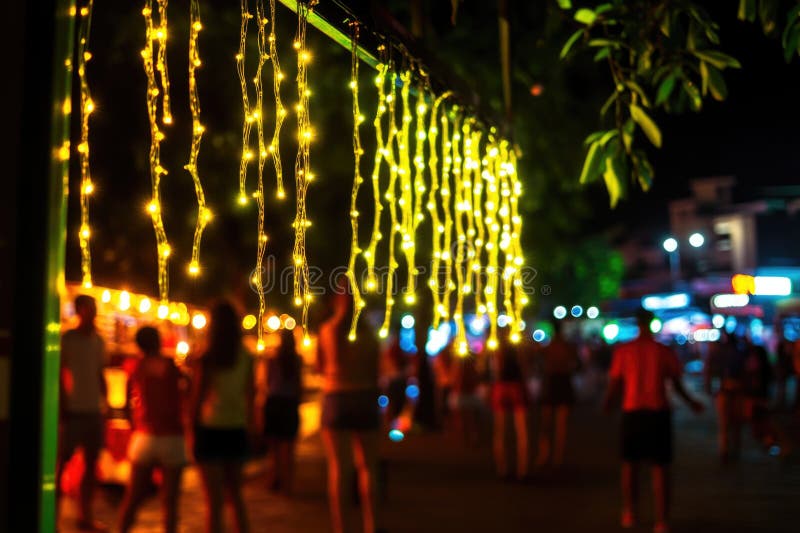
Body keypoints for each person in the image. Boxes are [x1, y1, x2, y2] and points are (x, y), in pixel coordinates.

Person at [604, 308, 703, 533]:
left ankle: (630, 511)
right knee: (660, 467)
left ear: (637, 324)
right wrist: (692, 403)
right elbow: (676, 385)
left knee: (630, 465)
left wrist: (608, 403)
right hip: (658, 413)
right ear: (651, 324)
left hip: (632, 412)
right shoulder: (663, 351)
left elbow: (615, 383)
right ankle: (662, 519)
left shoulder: (624, 351)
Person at [317, 282, 383, 533]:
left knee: (339, 469)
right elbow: (377, 371)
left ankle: (341, 527)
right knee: (369, 468)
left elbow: (320, 367)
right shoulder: (370, 334)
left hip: (337, 399)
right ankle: (372, 524)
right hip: (365, 396)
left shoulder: (327, 331)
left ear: (337, 299)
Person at [189, 302, 255, 533]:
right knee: (236, 496)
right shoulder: (246, 355)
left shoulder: (208, 357)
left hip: (210, 428)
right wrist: (252, 426)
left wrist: (190, 431)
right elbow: (251, 395)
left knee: (214, 502)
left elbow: (197, 398)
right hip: (236, 428)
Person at [119, 327, 186, 533]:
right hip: (171, 436)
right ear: (158, 341)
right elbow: (186, 390)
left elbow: (126, 405)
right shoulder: (170, 366)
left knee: (133, 497)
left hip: (145, 436)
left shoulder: (135, 367)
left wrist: (134, 427)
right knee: (170, 502)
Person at [57, 294, 108, 531]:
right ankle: (54, 514)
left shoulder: (98, 340)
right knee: (62, 463)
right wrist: (62, 405)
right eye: (90, 308)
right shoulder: (67, 339)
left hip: (93, 410)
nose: (94, 312)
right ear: (79, 311)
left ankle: (84, 515)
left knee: (91, 465)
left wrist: (104, 404)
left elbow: (100, 373)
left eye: (94, 308)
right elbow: (58, 374)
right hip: (74, 410)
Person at [263, 328, 303, 496]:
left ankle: (274, 478)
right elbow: (299, 384)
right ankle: (288, 484)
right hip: (290, 403)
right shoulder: (297, 360)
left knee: (274, 445)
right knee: (288, 446)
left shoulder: (272, 359)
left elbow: (266, 382)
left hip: (274, 402)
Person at [536, 321, 579, 468]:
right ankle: (558, 457)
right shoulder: (568, 347)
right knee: (562, 425)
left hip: (551, 383)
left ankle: (544, 455)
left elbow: (540, 363)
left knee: (546, 423)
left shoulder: (548, 347)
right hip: (564, 382)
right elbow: (576, 364)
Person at [490, 333, 529, 481]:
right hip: (515, 387)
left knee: (501, 430)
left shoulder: (497, 347)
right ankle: (522, 469)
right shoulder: (519, 346)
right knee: (521, 431)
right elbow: (524, 367)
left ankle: (503, 468)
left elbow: (495, 370)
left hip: (502, 387)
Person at [704, 331, 747, 464]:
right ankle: (735, 450)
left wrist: (709, 387)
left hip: (724, 390)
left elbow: (709, 370)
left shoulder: (719, 354)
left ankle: (725, 451)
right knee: (736, 424)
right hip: (737, 390)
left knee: (724, 424)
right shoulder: (739, 354)